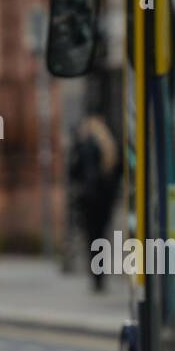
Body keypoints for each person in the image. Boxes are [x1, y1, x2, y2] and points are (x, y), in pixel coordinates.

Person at [68, 112, 122, 291]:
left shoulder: (86, 146)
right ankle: (101, 275)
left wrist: (77, 144)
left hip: (89, 200)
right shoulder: (109, 146)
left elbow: (74, 171)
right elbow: (117, 174)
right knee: (102, 238)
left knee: (92, 240)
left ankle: (97, 277)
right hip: (105, 201)